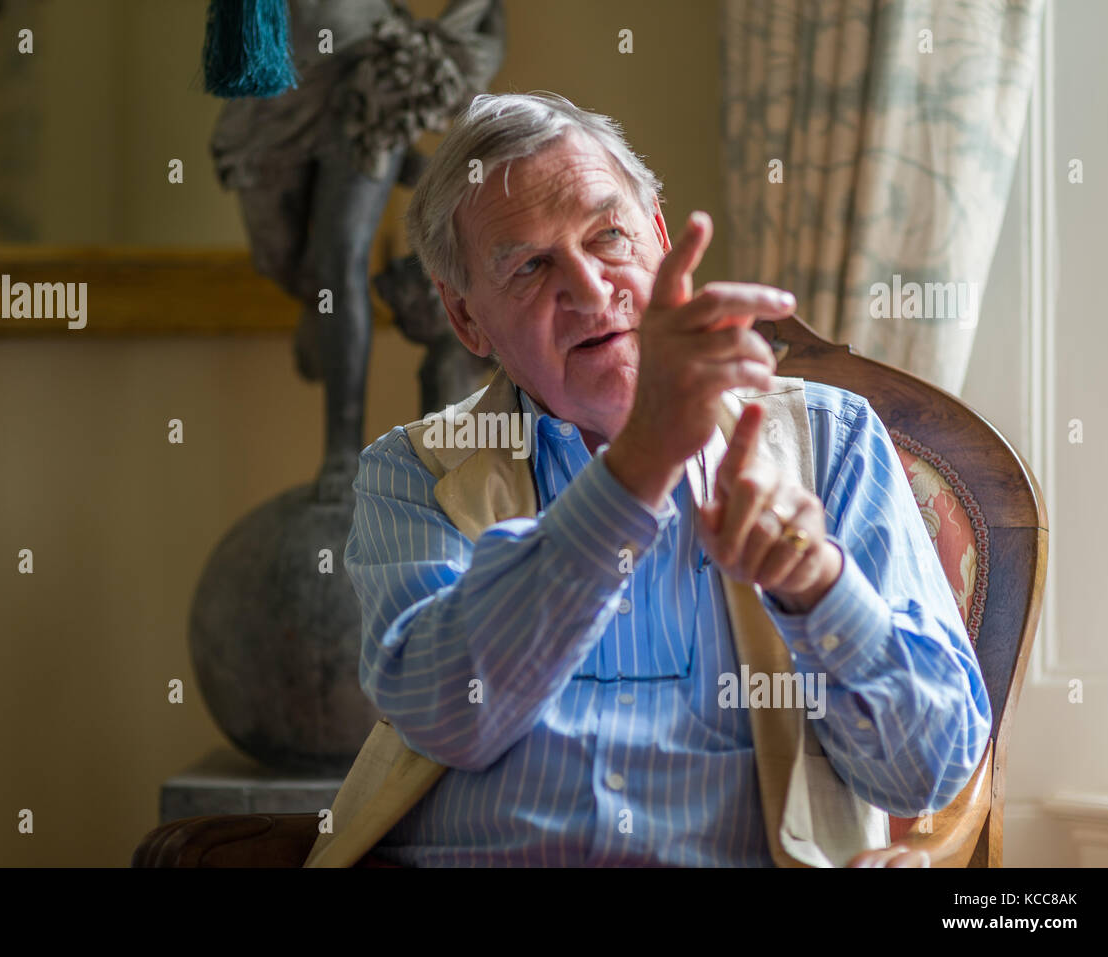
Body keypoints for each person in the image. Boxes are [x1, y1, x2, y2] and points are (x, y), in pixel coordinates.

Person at [341, 91, 992, 866]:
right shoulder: (412, 470)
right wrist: (638, 464)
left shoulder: (831, 440)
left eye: (608, 235)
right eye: (530, 265)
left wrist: (822, 588)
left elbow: (928, 770)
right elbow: (446, 713)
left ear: (656, 236)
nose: (587, 290)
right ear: (466, 318)